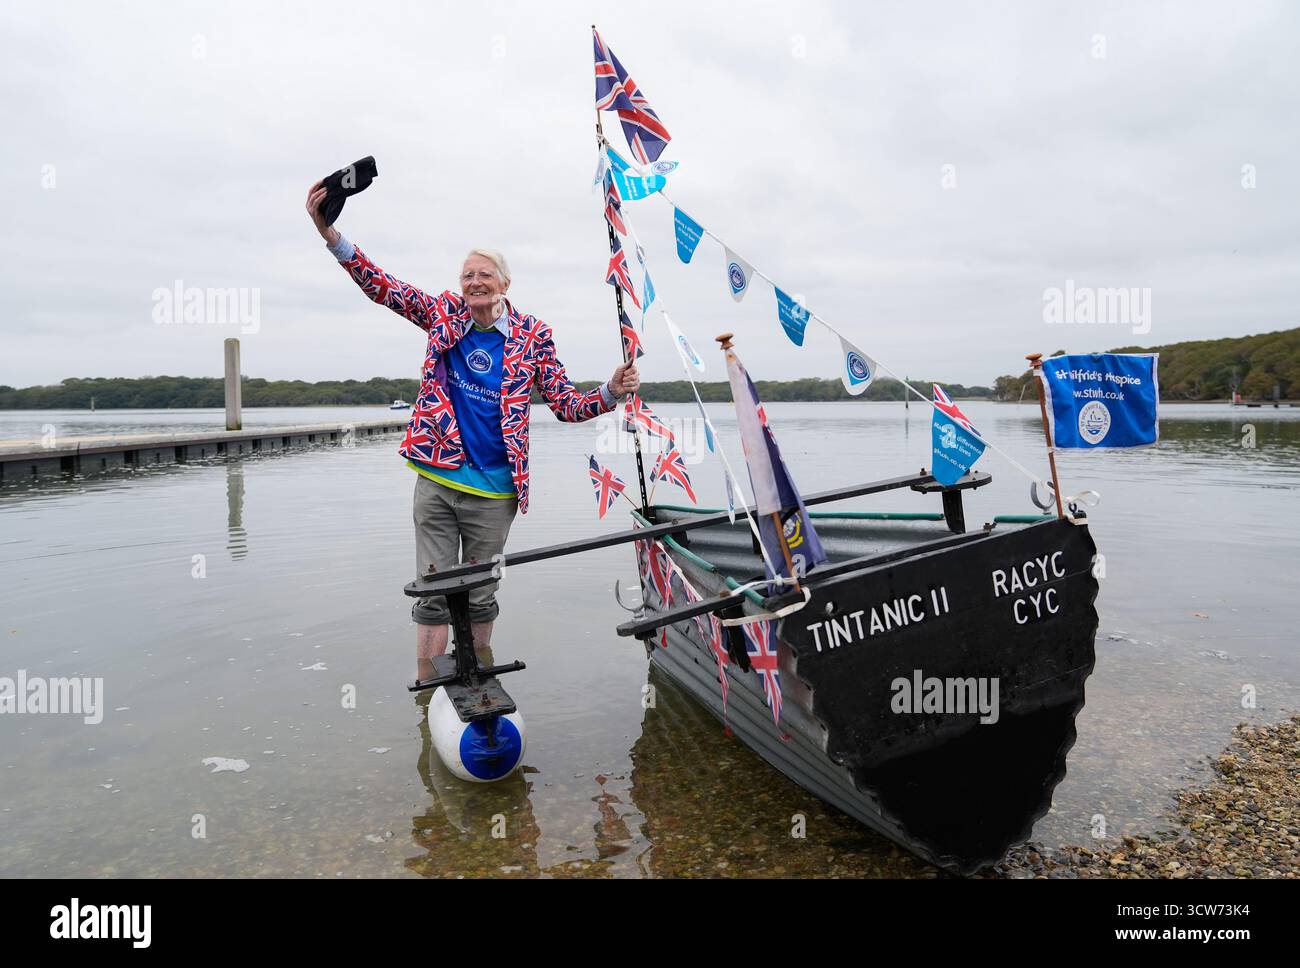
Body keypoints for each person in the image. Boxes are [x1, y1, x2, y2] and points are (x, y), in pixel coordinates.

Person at [306, 180, 639, 680]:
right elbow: (382, 287)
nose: (474, 281)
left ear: (505, 284)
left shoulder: (534, 335)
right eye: (467, 275)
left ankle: (478, 679)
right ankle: (431, 689)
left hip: (495, 492)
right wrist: (331, 234)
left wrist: (611, 391)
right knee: (433, 594)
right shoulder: (443, 313)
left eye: (484, 274)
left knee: (481, 595)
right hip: (437, 481)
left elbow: (566, 405)